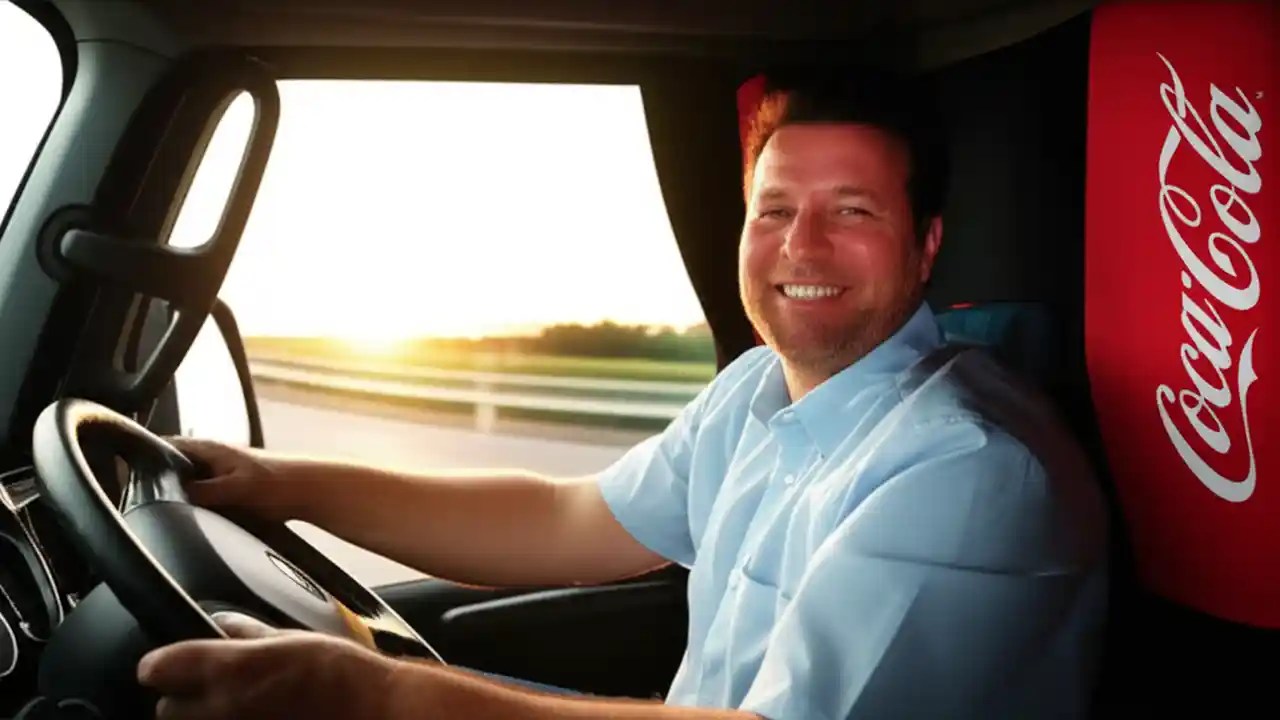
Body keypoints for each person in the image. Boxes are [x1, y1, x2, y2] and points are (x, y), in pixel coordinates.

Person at [138, 68, 1109, 719]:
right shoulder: (753, 394)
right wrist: (282, 484)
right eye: (772, 210)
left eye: (849, 212)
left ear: (925, 243)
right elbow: (563, 517)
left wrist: (384, 698)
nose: (799, 247)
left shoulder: (965, 468)